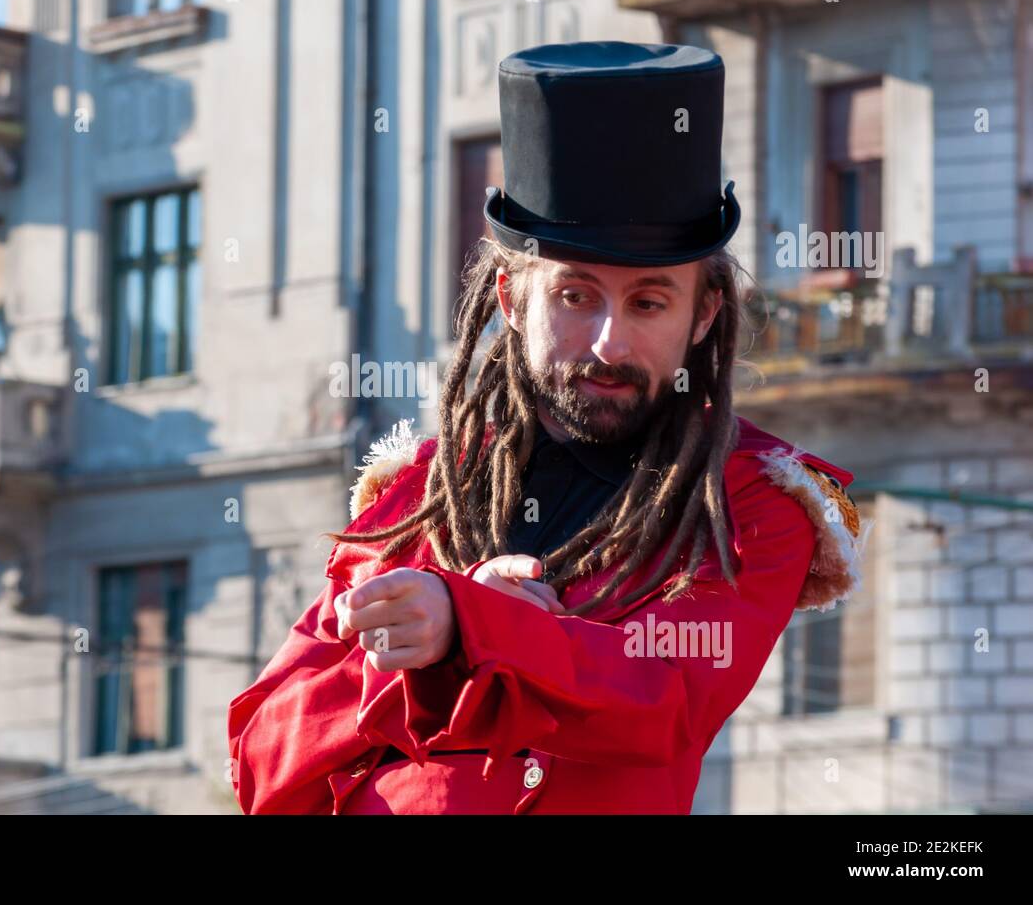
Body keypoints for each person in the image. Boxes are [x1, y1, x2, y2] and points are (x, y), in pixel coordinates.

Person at [228, 41, 869, 814]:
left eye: (648, 302)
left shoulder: (753, 499)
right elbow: (261, 753)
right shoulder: (419, 493)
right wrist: (432, 643)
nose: (609, 342)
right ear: (509, 297)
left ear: (703, 314)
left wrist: (470, 627)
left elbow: (660, 695)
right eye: (574, 296)